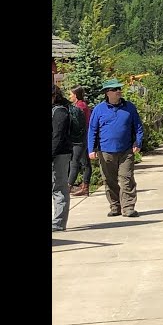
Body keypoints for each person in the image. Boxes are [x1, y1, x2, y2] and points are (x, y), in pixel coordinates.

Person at [87, 79, 145, 218]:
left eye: (119, 88)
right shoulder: (99, 109)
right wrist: (91, 149)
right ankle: (115, 206)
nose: (119, 91)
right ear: (107, 93)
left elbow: (138, 127)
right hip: (105, 151)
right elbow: (92, 130)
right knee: (109, 180)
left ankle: (128, 207)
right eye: (115, 89)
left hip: (126, 150)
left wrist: (138, 142)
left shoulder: (129, 107)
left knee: (127, 178)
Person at [52, 82, 74, 231]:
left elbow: (58, 137)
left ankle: (59, 223)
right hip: (56, 153)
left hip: (59, 154)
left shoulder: (60, 112)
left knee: (59, 187)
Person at [67, 87, 92, 196]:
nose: (70, 96)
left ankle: (68, 187)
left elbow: (78, 124)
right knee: (85, 163)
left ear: (75, 95)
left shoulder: (80, 107)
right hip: (84, 138)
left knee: (74, 162)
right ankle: (85, 187)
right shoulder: (82, 105)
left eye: (71, 94)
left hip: (79, 139)